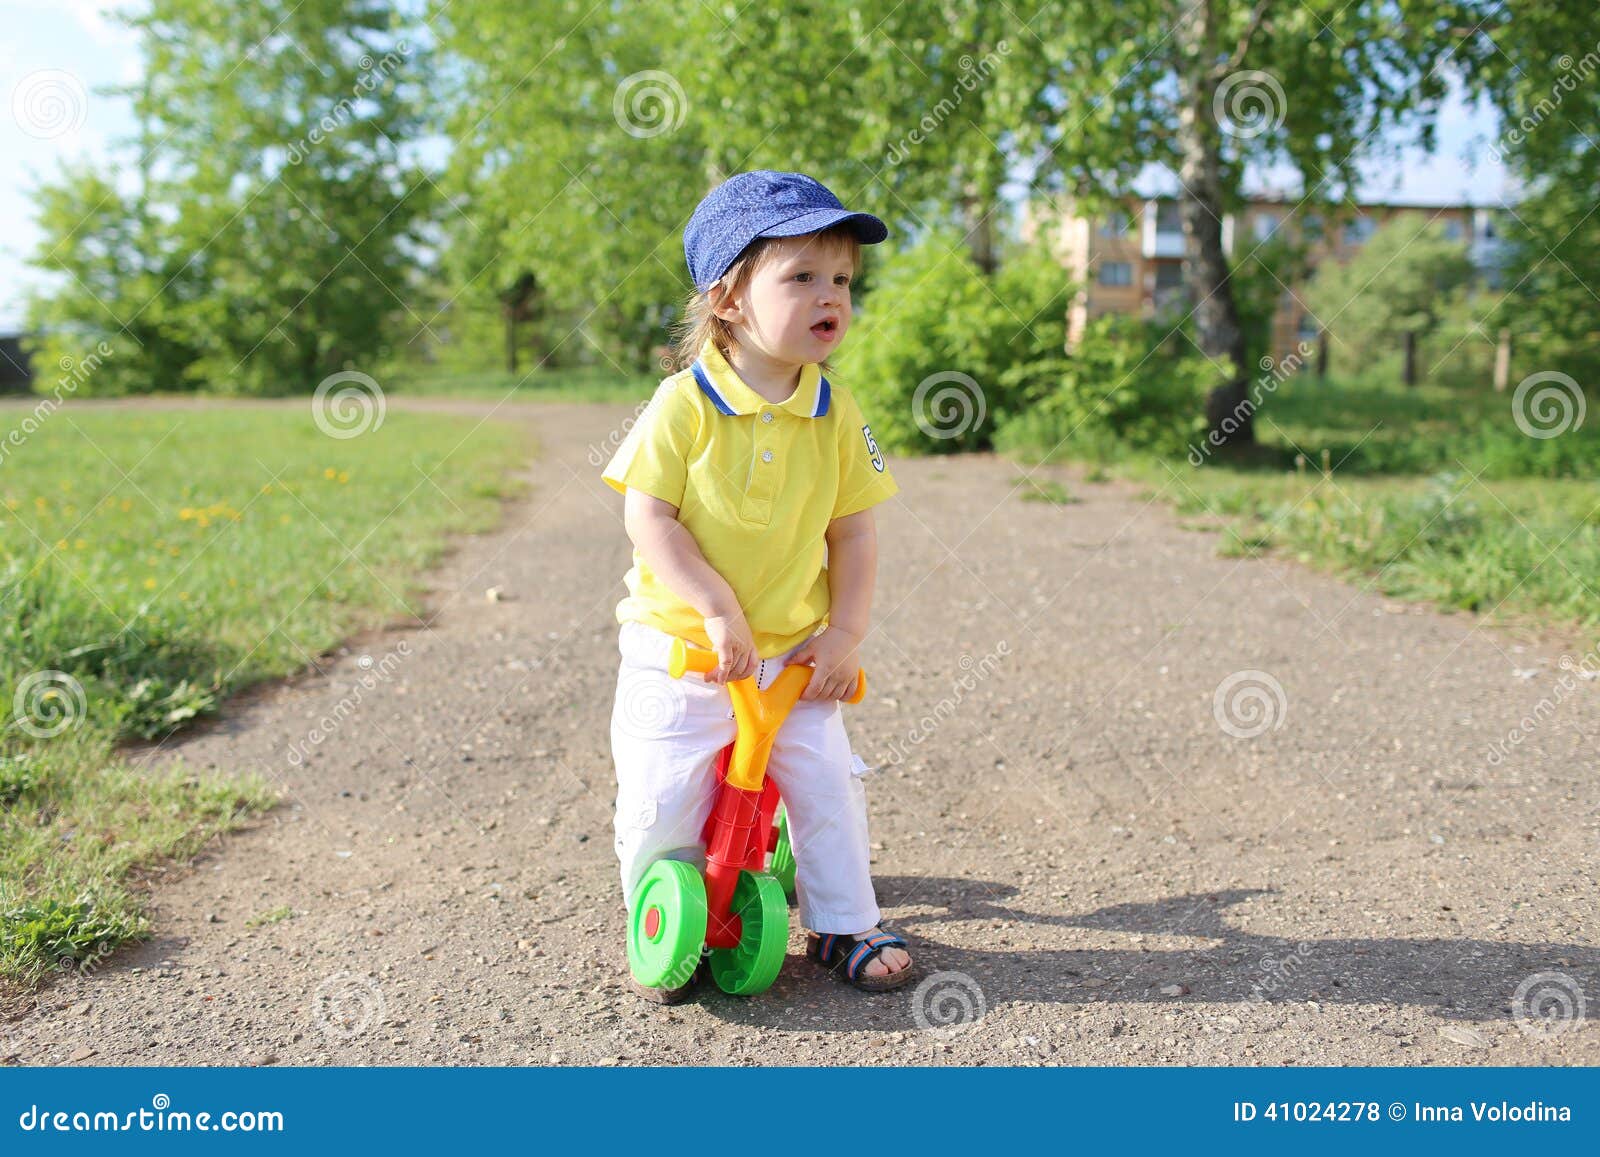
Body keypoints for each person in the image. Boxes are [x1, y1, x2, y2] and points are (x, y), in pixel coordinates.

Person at [602, 170, 914, 1002]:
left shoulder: (835, 411)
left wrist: (843, 635)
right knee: (665, 788)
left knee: (828, 784)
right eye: (803, 276)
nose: (832, 296)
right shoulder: (683, 406)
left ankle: (844, 922)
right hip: (687, 650)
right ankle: (664, 913)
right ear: (730, 297)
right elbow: (651, 518)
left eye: (843, 279)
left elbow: (853, 530)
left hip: (791, 652)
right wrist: (715, 606)